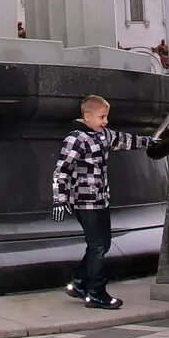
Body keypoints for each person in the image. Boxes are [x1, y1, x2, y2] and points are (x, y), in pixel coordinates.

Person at [51, 94, 155, 309]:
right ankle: (96, 292)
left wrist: (150, 142)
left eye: (106, 117)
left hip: (101, 200)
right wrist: (59, 200)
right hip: (83, 202)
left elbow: (126, 140)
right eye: (102, 117)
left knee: (102, 244)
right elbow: (61, 171)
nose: (105, 121)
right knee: (97, 246)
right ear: (87, 117)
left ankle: (79, 282)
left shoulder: (104, 135)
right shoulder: (76, 139)